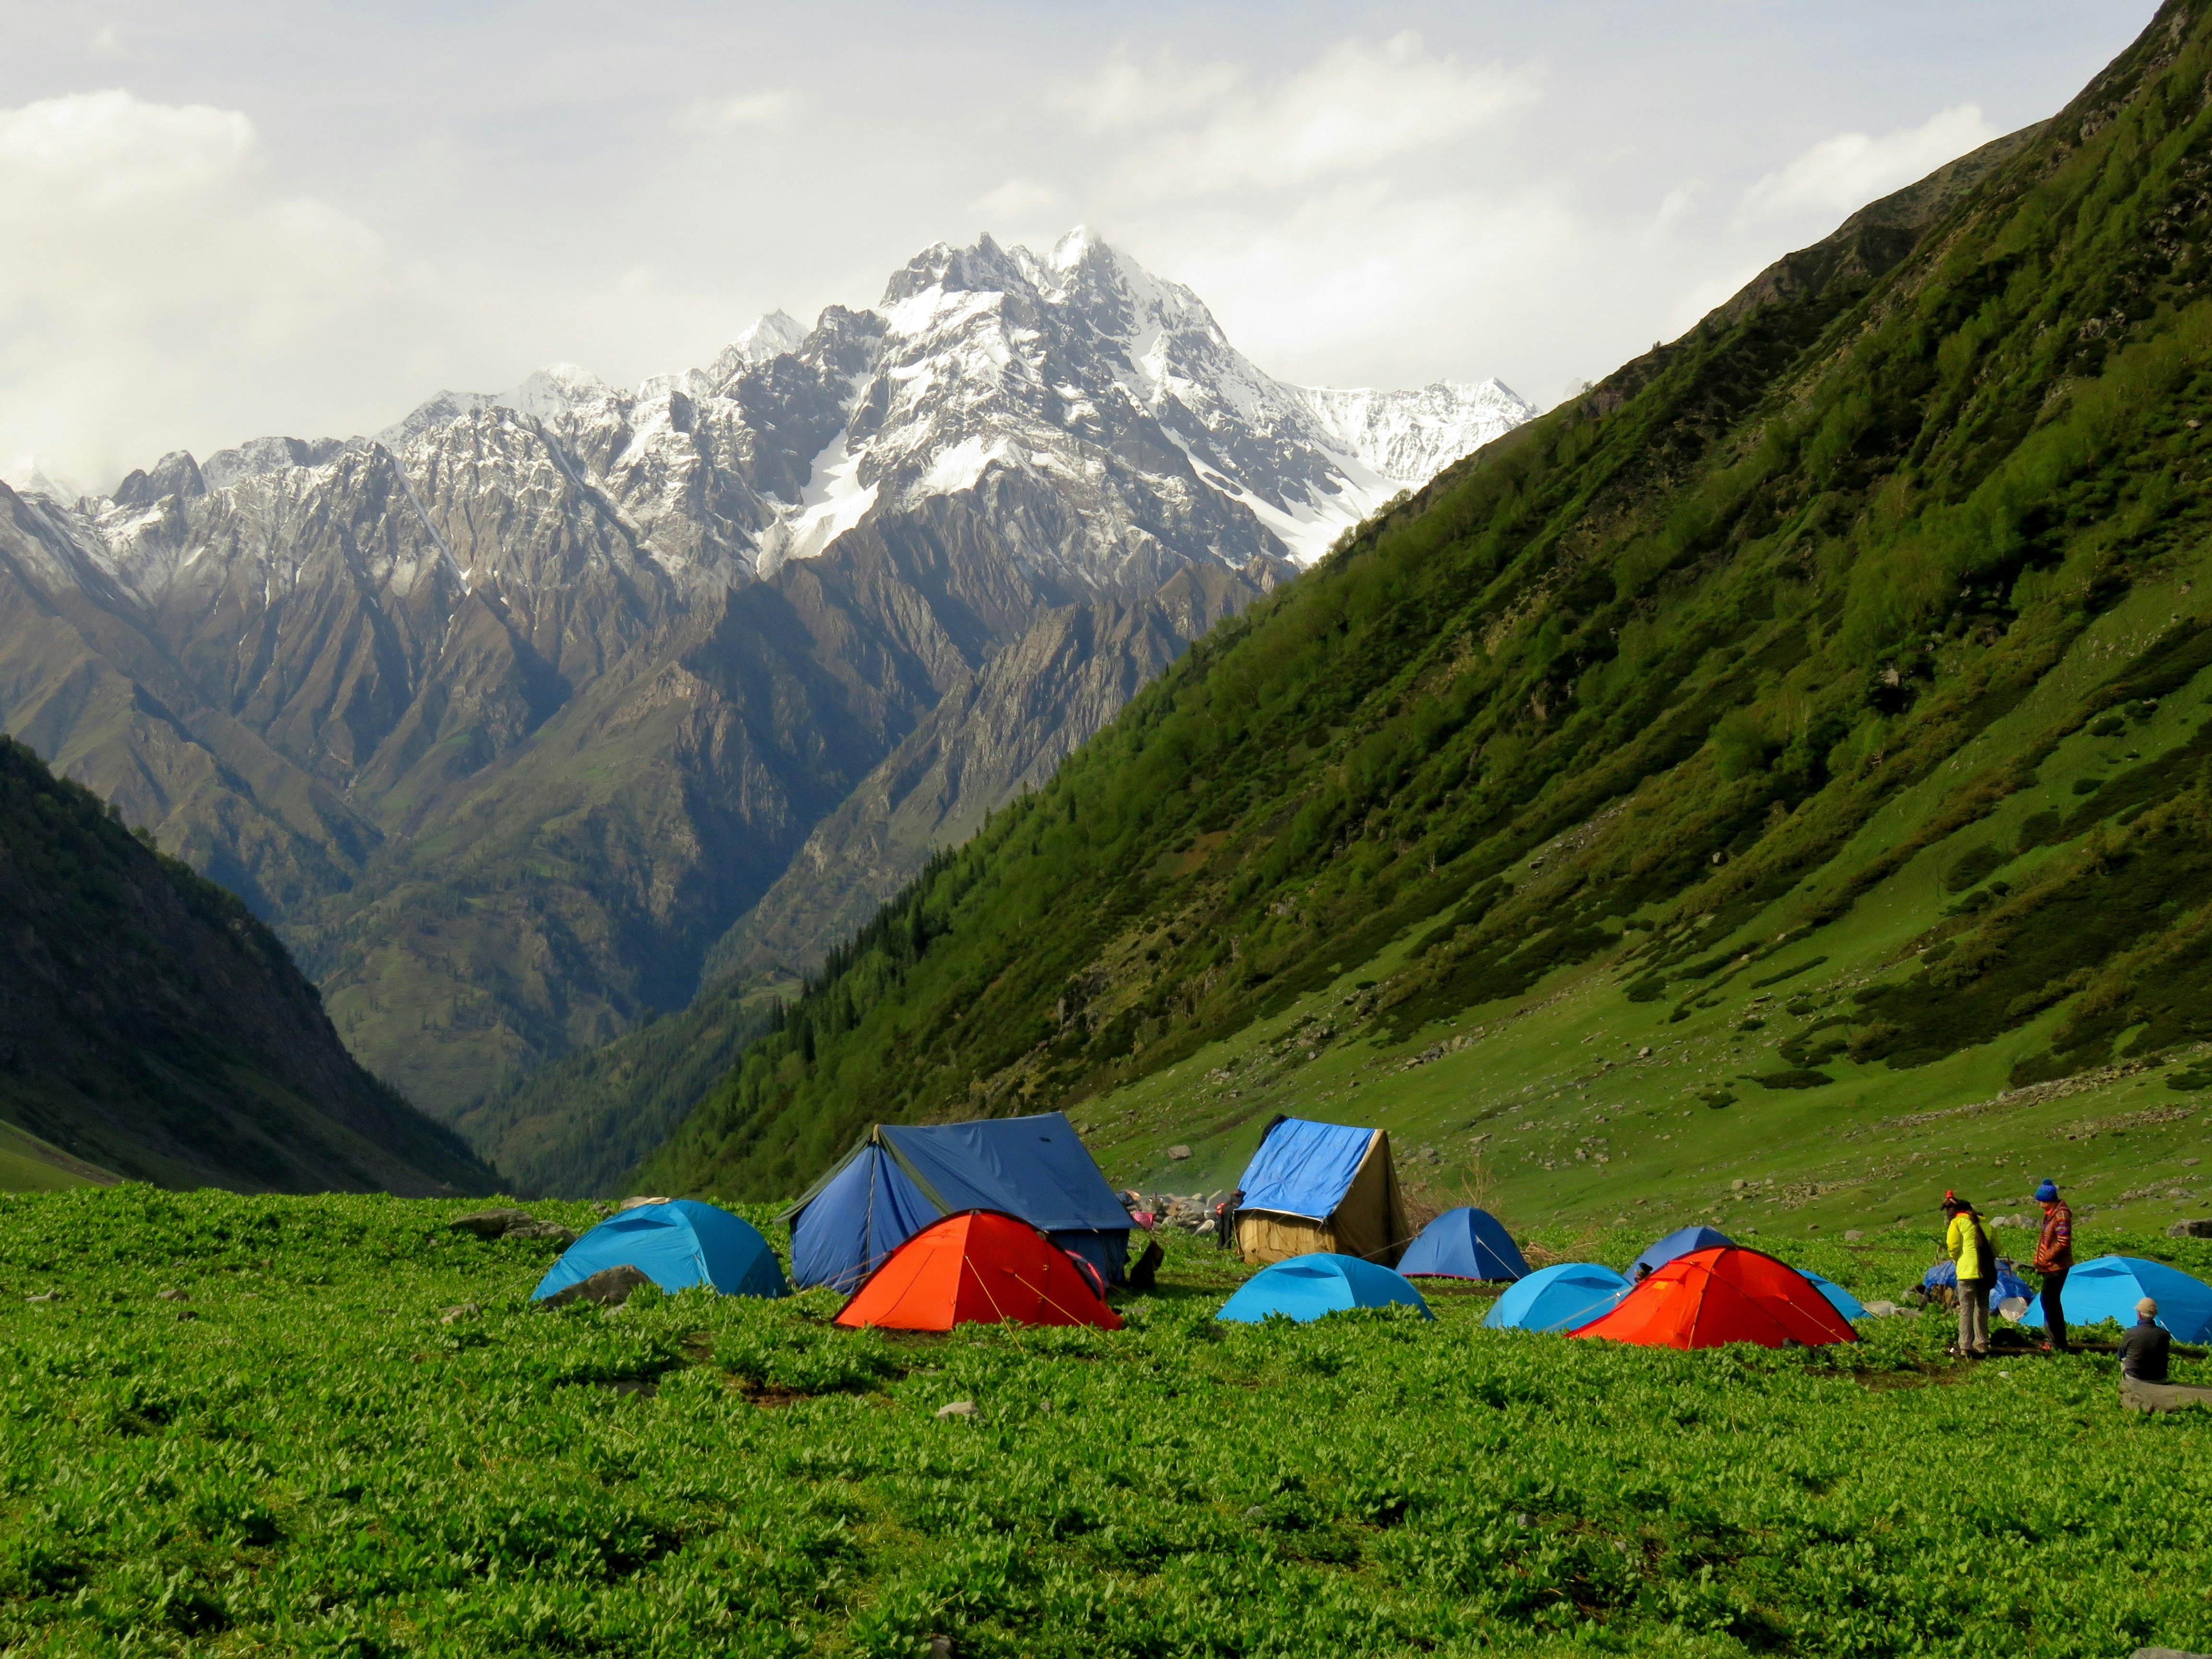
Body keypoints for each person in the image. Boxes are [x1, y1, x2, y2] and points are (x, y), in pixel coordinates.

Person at [1942, 1192, 1996, 1358]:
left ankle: (1965, 1346)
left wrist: (1957, 1259)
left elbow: (1953, 1245)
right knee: (1982, 1308)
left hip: (1966, 1271)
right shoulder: (1986, 1225)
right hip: (1985, 1271)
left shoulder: (1958, 1223)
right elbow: (1997, 1247)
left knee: (1966, 1308)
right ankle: (1982, 1344)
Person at [2031, 1178, 2073, 1354]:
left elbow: (2063, 1241)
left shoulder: (2061, 1215)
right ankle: (2056, 1340)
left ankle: (2058, 1341)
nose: (2040, 1205)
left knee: (2050, 1301)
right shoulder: (2051, 1213)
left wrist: (2045, 1257)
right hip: (2050, 1266)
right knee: (2049, 1301)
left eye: (2041, 1201)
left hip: (2057, 1266)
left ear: (2049, 1200)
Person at [2119, 1297, 2170, 1385]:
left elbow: (2121, 1354)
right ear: (2155, 1315)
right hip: (2159, 1379)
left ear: (2139, 1314)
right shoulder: (2165, 1335)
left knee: (2124, 1361)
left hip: (2135, 1378)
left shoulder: (2131, 1333)